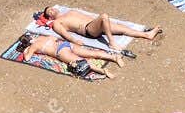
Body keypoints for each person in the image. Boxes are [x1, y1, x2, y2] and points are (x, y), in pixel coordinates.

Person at [35, 6, 163, 50]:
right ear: (50, 17)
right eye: (49, 11)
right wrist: (75, 41)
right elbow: (64, 34)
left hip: (95, 24)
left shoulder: (69, 12)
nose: (52, 10)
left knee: (123, 28)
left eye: (51, 8)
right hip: (88, 30)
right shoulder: (57, 22)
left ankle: (147, 35)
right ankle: (112, 42)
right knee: (104, 16)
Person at [15, 31, 124, 77]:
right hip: (65, 44)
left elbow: (27, 58)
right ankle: (114, 57)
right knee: (92, 53)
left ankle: (104, 71)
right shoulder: (41, 37)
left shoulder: (34, 46)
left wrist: (26, 50)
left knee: (81, 63)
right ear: (31, 37)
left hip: (60, 52)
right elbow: (54, 37)